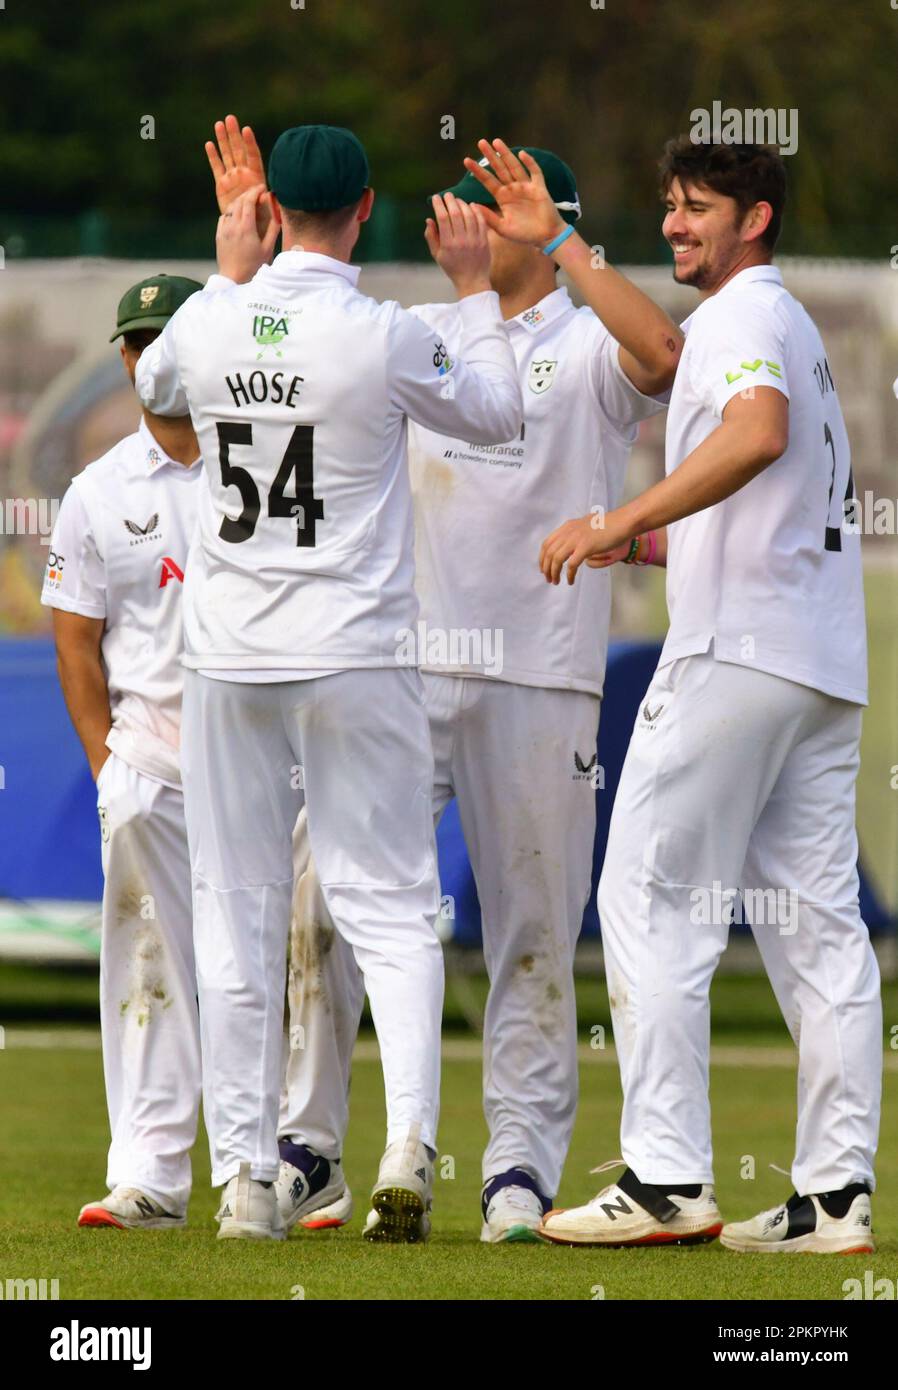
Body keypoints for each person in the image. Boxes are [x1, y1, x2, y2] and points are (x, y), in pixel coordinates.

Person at [207, 122, 684, 1241]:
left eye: (496, 199)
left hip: (538, 673)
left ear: (545, 214)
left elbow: (663, 359)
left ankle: (516, 1170)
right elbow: (279, 358)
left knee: (527, 929)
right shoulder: (414, 328)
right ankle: (308, 1145)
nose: (463, 214)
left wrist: (557, 239)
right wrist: (259, 234)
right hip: (398, 671)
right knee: (323, 901)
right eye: (471, 195)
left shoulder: (587, 342)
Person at [135, 124, 523, 1242]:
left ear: (269, 214)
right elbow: (497, 413)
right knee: (392, 906)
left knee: (239, 908)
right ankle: (406, 1144)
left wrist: (227, 263)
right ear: (362, 212)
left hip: (228, 659)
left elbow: (157, 386)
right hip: (354, 653)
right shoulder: (385, 333)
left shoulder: (212, 313)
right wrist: (475, 290)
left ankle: (250, 1180)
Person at [537, 138, 881, 1254]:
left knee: (647, 890)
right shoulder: (785, 322)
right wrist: (644, 552)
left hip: (737, 657)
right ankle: (835, 1199)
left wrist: (618, 517)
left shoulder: (739, 318)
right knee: (819, 933)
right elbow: (766, 490)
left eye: (698, 209)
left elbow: (755, 434)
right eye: (671, 208)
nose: (677, 226)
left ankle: (665, 1178)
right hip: (819, 664)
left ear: (757, 219)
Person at [42, 273, 206, 1230]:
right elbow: (75, 640)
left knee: (273, 967)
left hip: (265, 762)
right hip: (149, 760)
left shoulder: (261, 465)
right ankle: (149, 1175)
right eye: (138, 346)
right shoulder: (97, 491)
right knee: (147, 960)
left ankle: (279, 1168)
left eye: (170, 340)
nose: (152, 361)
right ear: (124, 361)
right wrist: (109, 771)